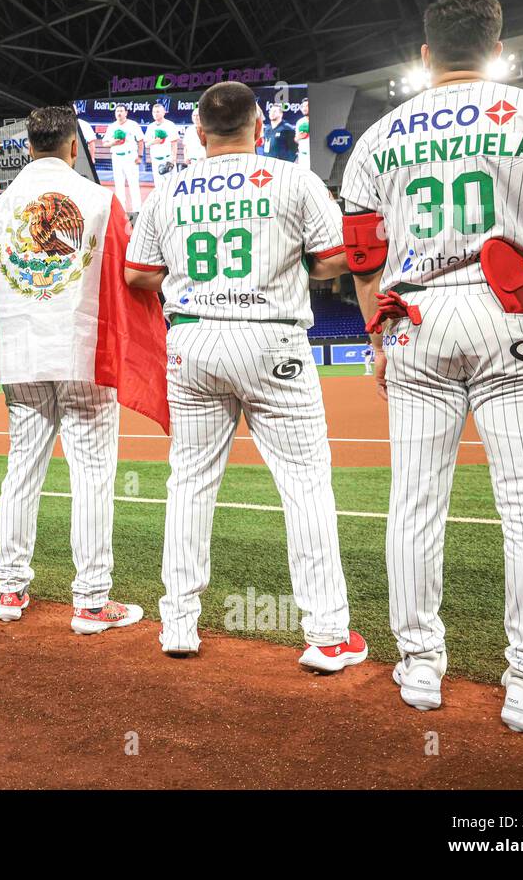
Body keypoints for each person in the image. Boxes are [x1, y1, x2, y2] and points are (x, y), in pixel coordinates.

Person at [342, 0, 523, 732]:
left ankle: (420, 665)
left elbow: (361, 254)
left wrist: (376, 336)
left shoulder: (378, 136)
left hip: (411, 315)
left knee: (414, 498)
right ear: (497, 48)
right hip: (507, 304)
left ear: (425, 56)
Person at [126, 81, 368, 668]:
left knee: (189, 483)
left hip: (193, 340)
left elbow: (137, 275)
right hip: (272, 336)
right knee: (305, 485)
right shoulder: (295, 179)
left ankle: (178, 624)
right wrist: (291, 264)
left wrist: (193, 286)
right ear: (259, 130)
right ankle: (327, 634)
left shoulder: (170, 189)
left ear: (200, 135)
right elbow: (337, 258)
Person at [0, 105, 163, 633]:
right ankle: (91, 602)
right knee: (92, 475)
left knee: (22, 470)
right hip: (81, 355)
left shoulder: (0, 208)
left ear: (28, 147)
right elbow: (128, 278)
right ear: (74, 148)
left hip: (22, 357)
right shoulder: (100, 200)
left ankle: (9, 590)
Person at [100, 104, 144, 213]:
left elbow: (140, 140)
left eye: (121, 111)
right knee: (119, 185)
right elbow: (104, 143)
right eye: (117, 111)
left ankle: (137, 210)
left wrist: (140, 156)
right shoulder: (112, 126)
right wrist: (113, 143)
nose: (119, 113)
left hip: (130, 157)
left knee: (133, 184)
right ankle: (121, 211)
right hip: (117, 157)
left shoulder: (133, 124)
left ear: (126, 112)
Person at [145, 102, 180, 181]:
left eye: (158, 112)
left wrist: (173, 159)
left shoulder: (170, 125)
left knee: (171, 184)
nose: (155, 114)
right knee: (158, 186)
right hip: (155, 160)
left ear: (164, 112)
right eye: (154, 112)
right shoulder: (150, 126)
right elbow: (146, 145)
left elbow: (174, 143)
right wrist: (154, 141)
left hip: (167, 159)